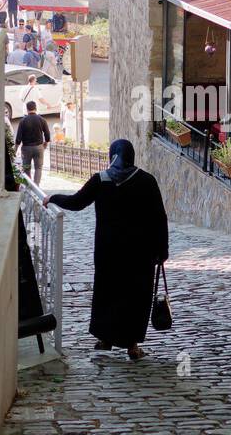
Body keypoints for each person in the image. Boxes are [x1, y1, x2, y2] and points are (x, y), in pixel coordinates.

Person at [45, 140, 169, 361]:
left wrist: (52, 198)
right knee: (135, 297)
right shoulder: (146, 180)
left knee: (107, 293)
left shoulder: (101, 180)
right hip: (140, 253)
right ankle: (132, 346)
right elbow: (159, 218)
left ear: (112, 155)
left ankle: (105, 339)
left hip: (108, 250)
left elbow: (76, 202)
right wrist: (162, 250)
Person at [16, 101, 50, 185]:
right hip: (39, 147)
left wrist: (15, 150)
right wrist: (45, 143)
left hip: (26, 148)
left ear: (27, 109)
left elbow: (18, 138)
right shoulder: (42, 120)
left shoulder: (23, 121)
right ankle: (36, 186)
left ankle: (29, 185)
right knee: (38, 168)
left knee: (26, 168)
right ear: (36, 108)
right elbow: (47, 135)